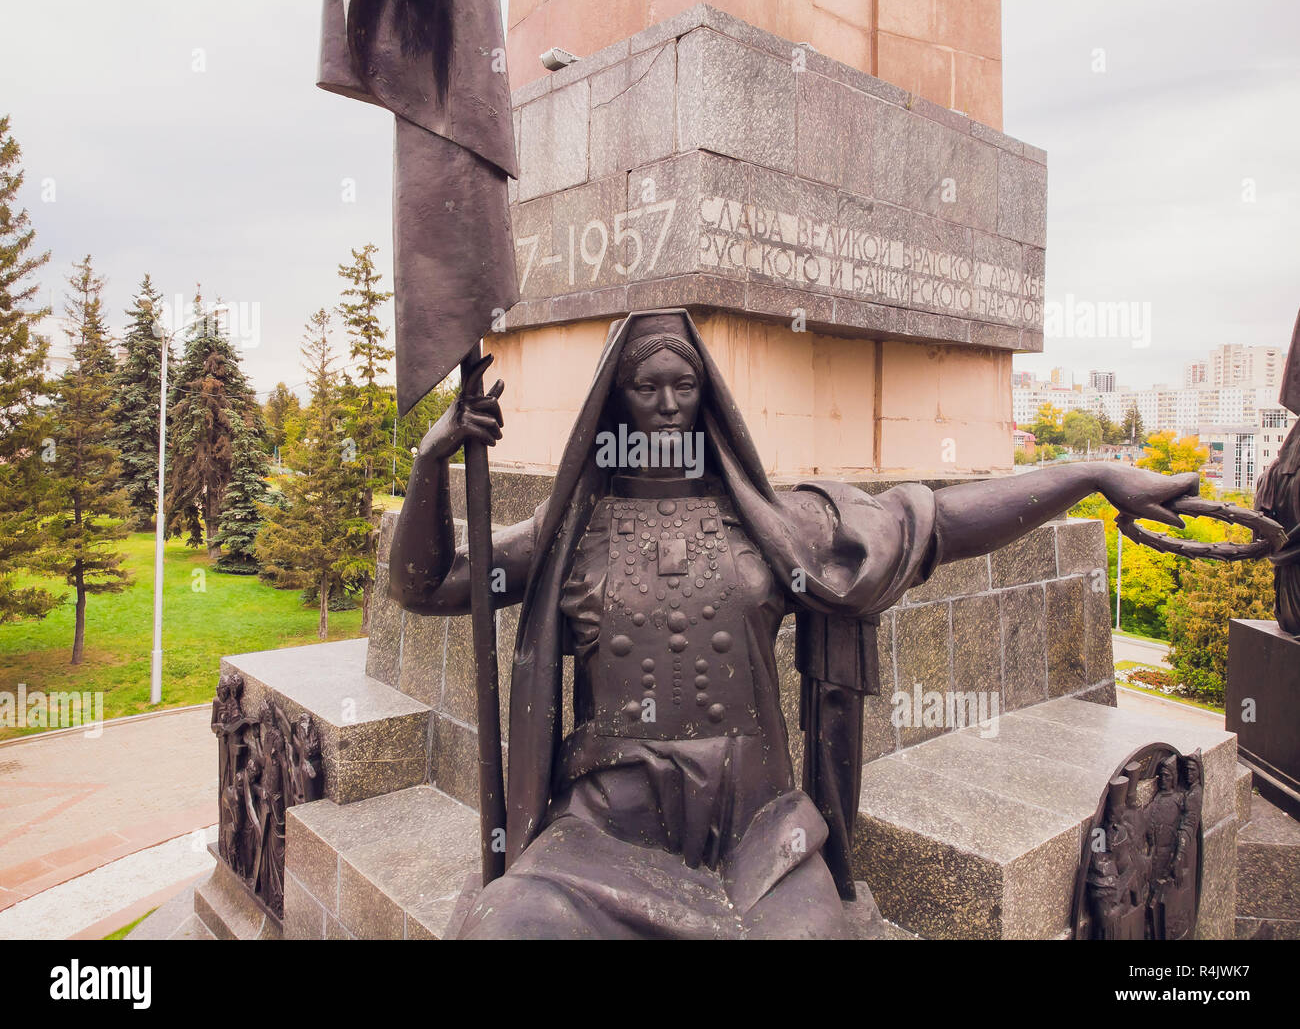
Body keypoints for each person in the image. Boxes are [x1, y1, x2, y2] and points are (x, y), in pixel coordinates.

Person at [388, 308, 1198, 939]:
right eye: (646, 386)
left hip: (755, 832)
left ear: (707, 397)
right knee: (507, 925)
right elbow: (428, 582)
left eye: (684, 385)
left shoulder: (774, 528)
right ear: (614, 404)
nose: (667, 404)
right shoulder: (569, 536)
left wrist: (1088, 473)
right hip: (604, 831)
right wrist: (432, 460)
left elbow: (933, 523)